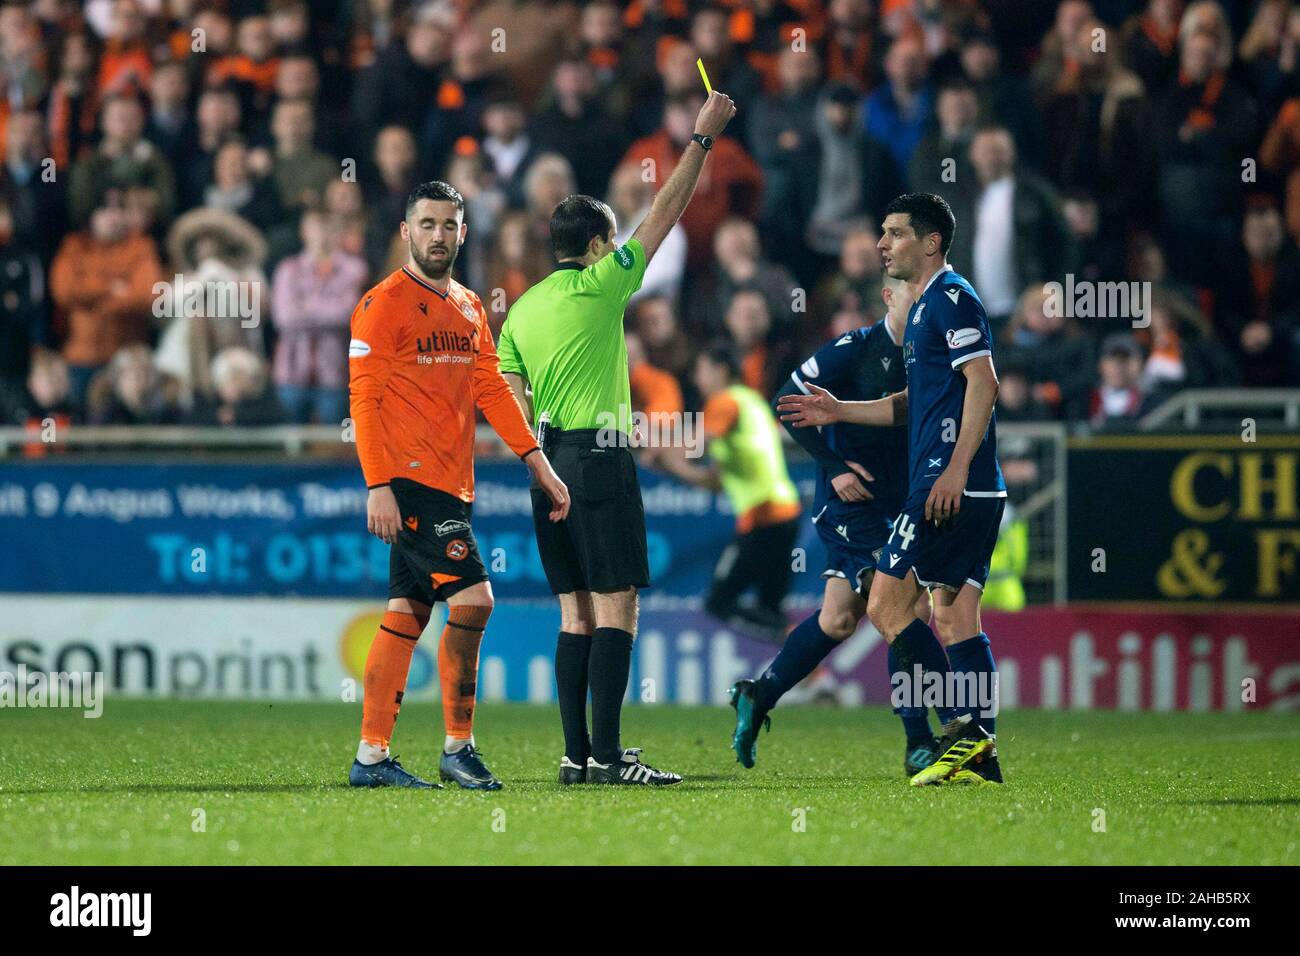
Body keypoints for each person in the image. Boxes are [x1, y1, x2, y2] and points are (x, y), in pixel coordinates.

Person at [497, 90, 737, 787]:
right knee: (617, 609)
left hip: (546, 464)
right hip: (600, 462)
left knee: (574, 615)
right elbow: (665, 213)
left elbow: (509, 403)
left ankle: (577, 756)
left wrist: (538, 464)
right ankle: (608, 757)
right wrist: (700, 139)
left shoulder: (520, 312)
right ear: (599, 245)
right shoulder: (603, 285)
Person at [346, 180, 570, 791]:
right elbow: (362, 403)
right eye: (426, 224)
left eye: (449, 225)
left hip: (453, 485)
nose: (438, 236)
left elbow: (491, 389)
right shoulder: (380, 305)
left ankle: (371, 759)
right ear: (405, 232)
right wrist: (377, 486)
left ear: (464, 233)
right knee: (474, 601)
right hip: (408, 483)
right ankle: (458, 747)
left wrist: (535, 460)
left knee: (407, 614)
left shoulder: (470, 306)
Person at [779, 193, 1006, 787]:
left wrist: (956, 468)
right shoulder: (926, 307)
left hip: (952, 481)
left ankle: (968, 728)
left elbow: (984, 382)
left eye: (895, 233)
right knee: (954, 618)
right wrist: (841, 410)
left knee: (886, 605)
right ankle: (981, 748)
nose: (882, 244)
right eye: (882, 232)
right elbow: (914, 405)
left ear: (931, 243)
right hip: (950, 480)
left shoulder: (952, 298)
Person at [731, 280, 942, 776]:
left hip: (898, 503)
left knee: (838, 621)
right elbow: (787, 399)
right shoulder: (856, 348)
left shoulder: (930, 353)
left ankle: (757, 695)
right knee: (907, 605)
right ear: (890, 298)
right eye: (916, 296)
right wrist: (834, 466)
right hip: (850, 507)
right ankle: (920, 741)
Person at [658, 341, 801, 644]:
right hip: (784, 514)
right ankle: (812, 674)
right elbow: (715, 481)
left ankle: (795, 643)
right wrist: (671, 465)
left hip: (764, 517)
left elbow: (691, 450)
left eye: (701, 370)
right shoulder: (752, 401)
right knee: (770, 607)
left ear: (720, 370)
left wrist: (659, 450)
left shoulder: (724, 402)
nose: (697, 379)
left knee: (719, 601)